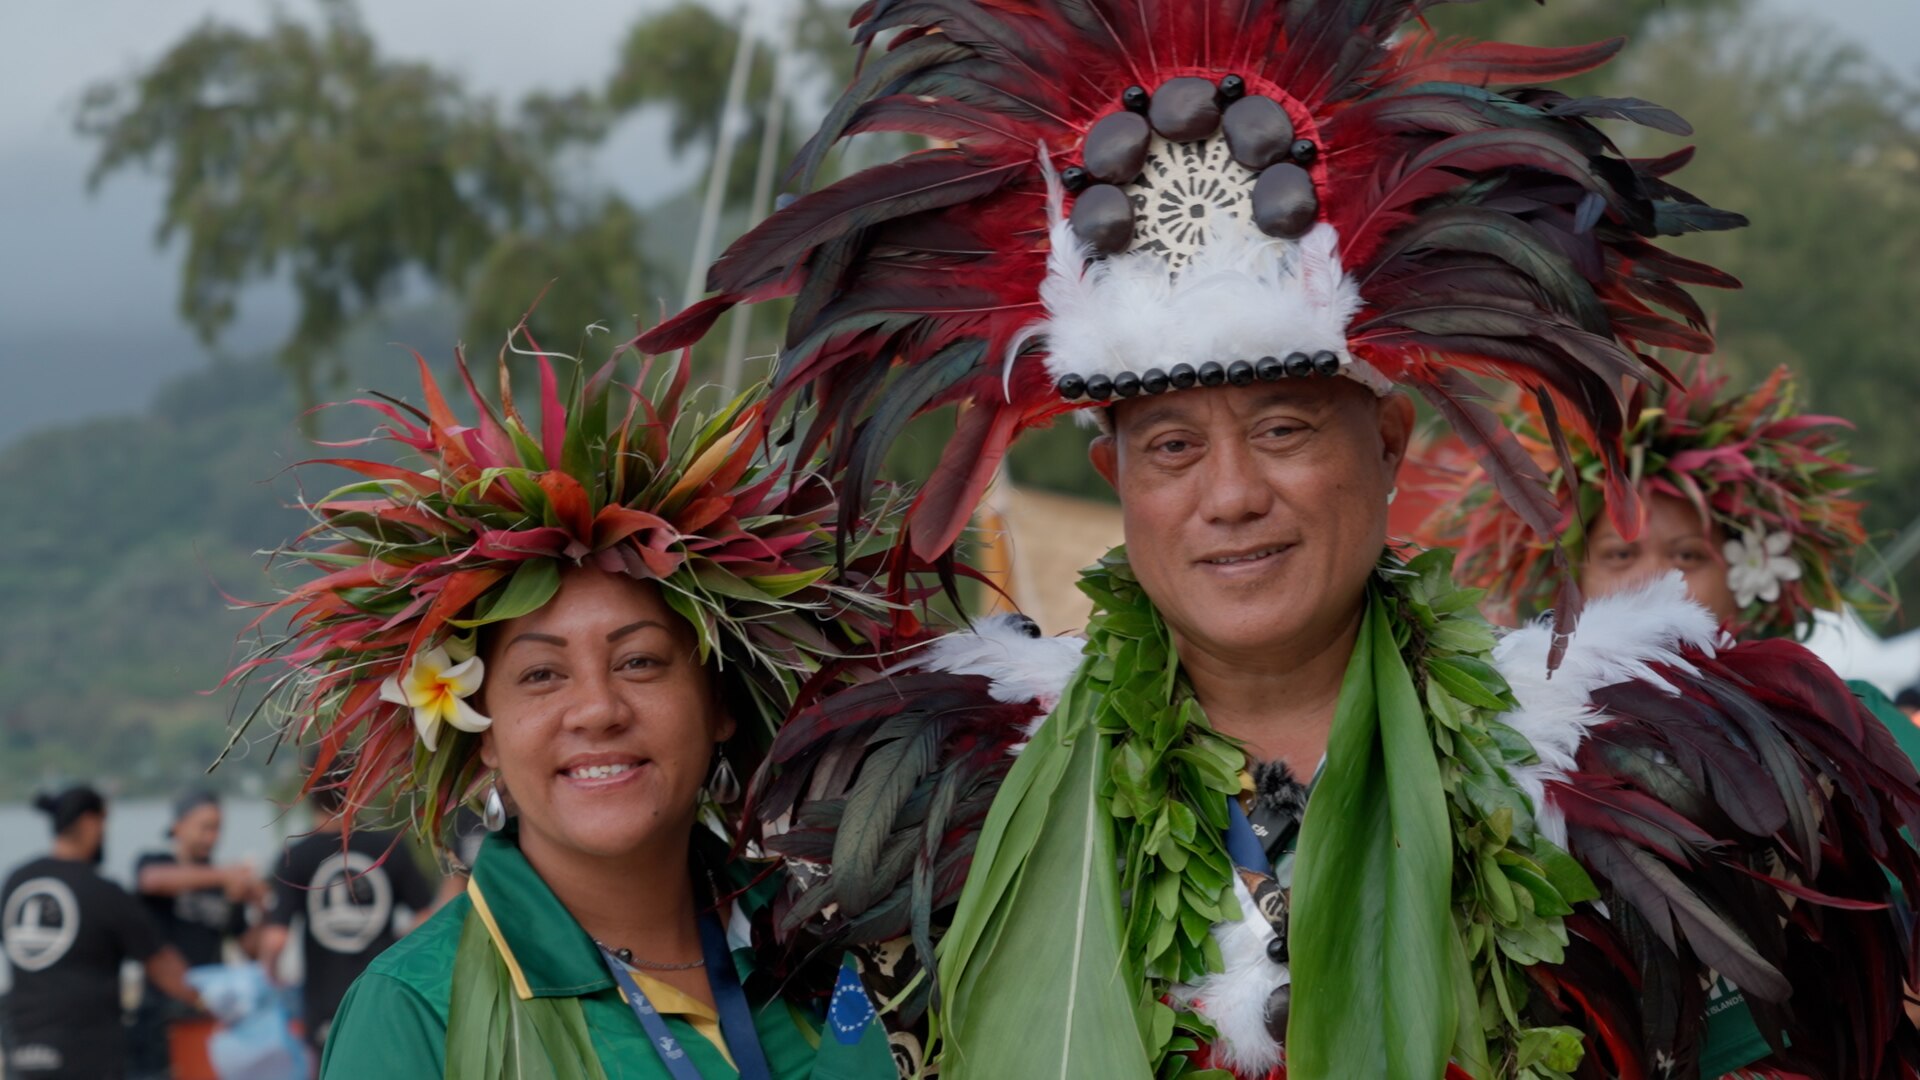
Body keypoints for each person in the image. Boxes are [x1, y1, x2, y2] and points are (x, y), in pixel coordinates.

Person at [639, 0, 1920, 1076]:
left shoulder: (1621, 784)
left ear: (1389, 444)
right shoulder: (949, 810)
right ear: (1115, 479)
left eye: (1286, 428)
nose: (1231, 495)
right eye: (1172, 448)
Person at [225, 348, 910, 1079]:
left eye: (639, 661)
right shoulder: (419, 1011)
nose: (597, 710)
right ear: (483, 730)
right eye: (541, 675)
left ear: (719, 703)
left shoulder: (850, 947)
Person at [1423, 357, 1920, 1074]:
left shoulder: (1849, 718)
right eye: (1620, 553)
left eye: (1689, 553)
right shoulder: (1512, 768)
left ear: (1746, 579)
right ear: (1569, 586)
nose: (1657, 578)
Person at [2, 786, 202, 1080]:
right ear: (89, 822)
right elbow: (162, 965)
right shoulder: (103, 892)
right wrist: (207, 998)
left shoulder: (16, 884)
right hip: (85, 1057)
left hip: (23, 1052)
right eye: (104, 823)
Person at [257, 770, 438, 1055]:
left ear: (309, 793)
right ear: (360, 789)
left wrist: (270, 977)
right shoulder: (387, 846)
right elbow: (426, 918)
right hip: (381, 993)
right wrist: (394, 946)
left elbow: (276, 939)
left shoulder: (296, 856)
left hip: (326, 1002)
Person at [129, 789, 263, 1080]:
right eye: (205, 827)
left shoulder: (224, 885)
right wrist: (224, 875)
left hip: (205, 1013)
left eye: (217, 829)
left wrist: (262, 906)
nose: (211, 837)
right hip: (158, 1013)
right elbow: (151, 880)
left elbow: (251, 949)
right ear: (178, 826)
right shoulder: (154, 862)